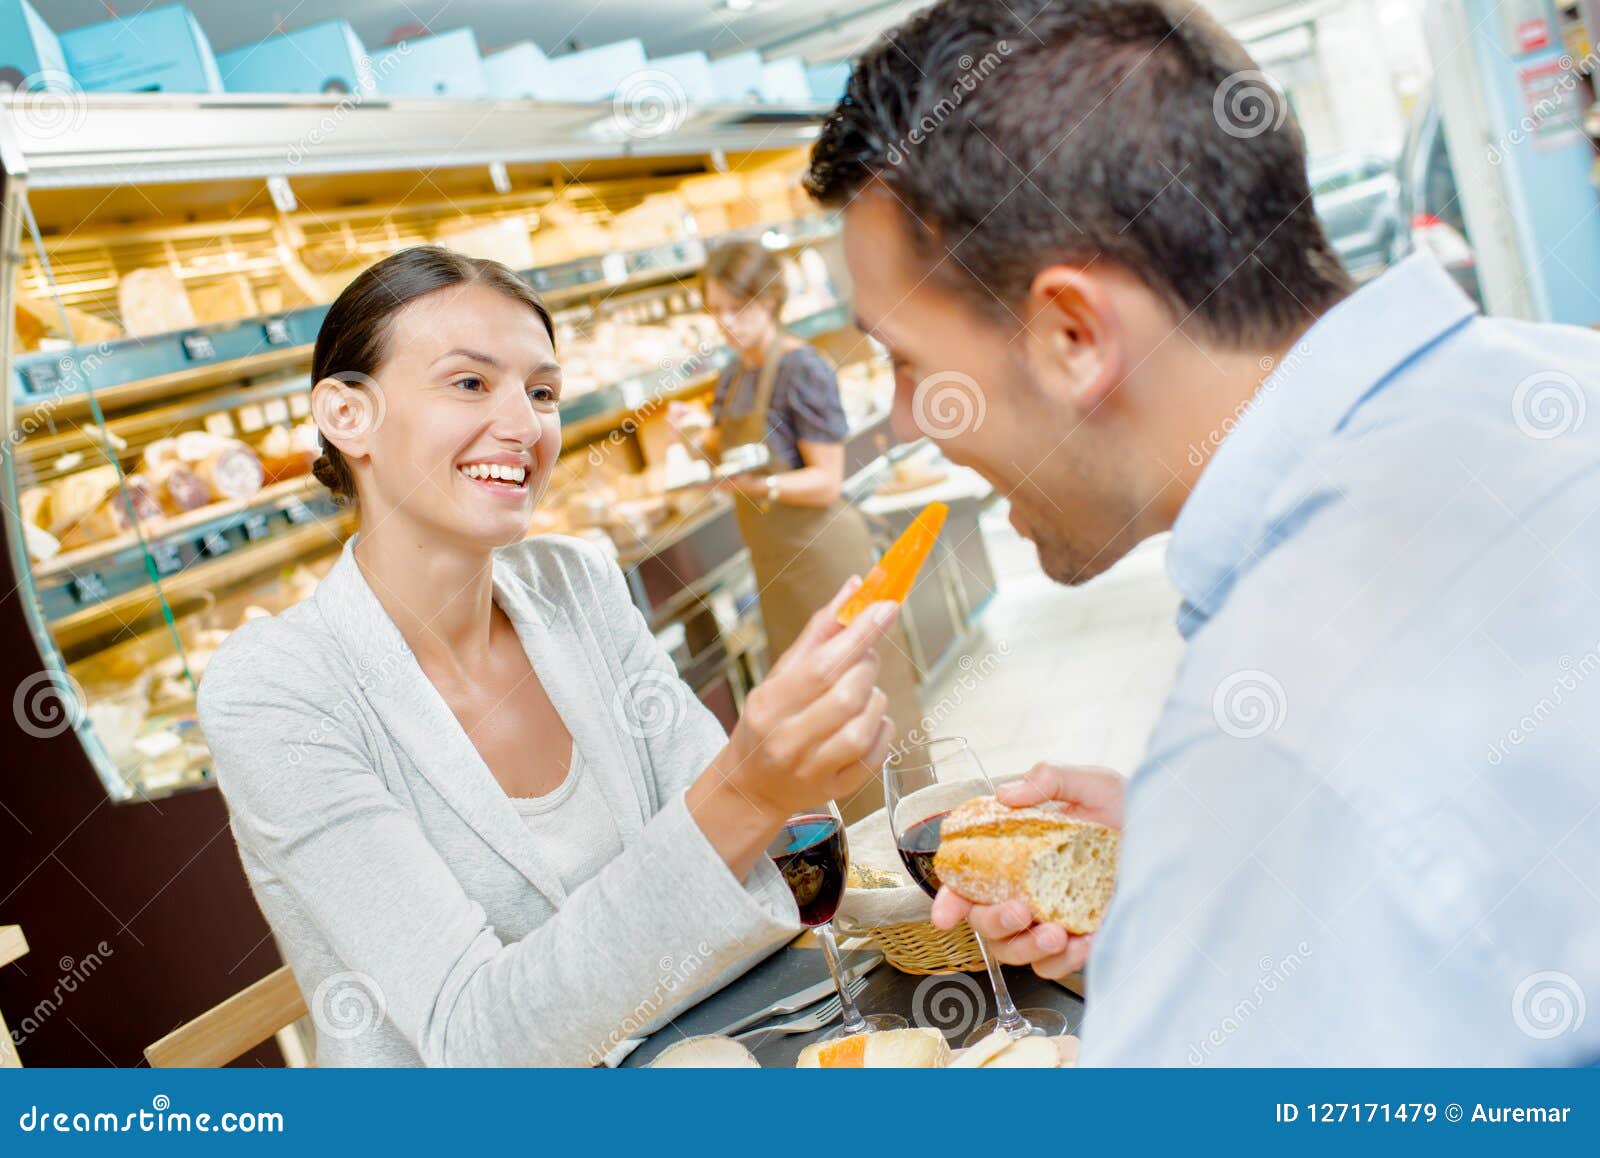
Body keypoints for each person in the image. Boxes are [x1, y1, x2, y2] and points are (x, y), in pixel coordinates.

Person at [804, 0, 1600, 1064]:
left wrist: (1216, 880)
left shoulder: (1272, 749)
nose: (907, 421)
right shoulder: (1560, 376)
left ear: (1073, 335)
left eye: (904, 360)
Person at [197, 247, 901, 1066]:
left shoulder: (576, 584)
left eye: (541, 392)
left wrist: (763, 806)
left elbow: (756, 890)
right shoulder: (276, 693)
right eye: (469, 383)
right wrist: (745, 791)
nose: (526, 426)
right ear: (348, 416)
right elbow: (477, 1049)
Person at [667, 239, 922, 823]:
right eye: (716, 312)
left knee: (865, 696)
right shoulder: (732, 379)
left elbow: (826, 479)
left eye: (739, 308)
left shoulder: (801, 367)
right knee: (813, 708)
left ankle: (906, 827)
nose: (728, 325)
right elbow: (732, 457)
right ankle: (852, 845)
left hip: (827, 555)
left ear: (771, 299)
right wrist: (694, 438)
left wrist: (762, 490)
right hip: (777, 567)